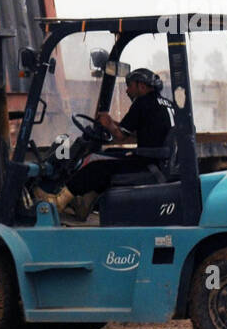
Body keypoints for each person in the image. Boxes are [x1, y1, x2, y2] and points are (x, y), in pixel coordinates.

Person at [36, 67, 173, 219]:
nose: (127, 90)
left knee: (96, 165)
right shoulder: (166, 104)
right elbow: (138, 131)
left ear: (141, 86)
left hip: (147, 163)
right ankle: (84, 204)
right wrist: (112, 123)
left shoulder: (143, 102)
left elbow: (120, 135)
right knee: (107, 155)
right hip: (159, 161)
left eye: (130, 85)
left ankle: (58, 201)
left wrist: (107, 123)